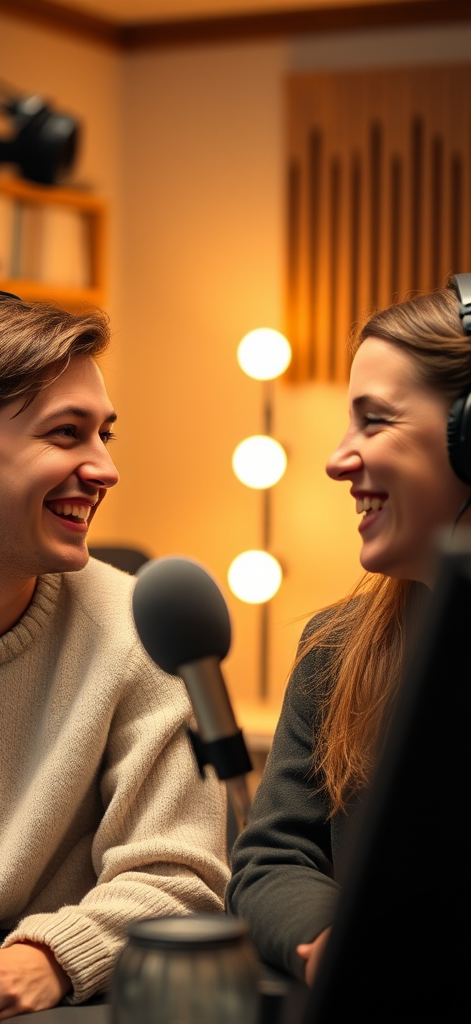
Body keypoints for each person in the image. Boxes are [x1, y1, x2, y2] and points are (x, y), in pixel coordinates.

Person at [0, 289, 229, 1021]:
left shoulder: (141, 629)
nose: (105, 468)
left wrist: (48, 958)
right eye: (66, 434)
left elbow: (180, 876)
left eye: (104, 434)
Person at [227, 276, 471, 985]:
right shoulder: (338, 649)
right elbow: (273, 859)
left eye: (375, 421)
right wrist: (336, 941)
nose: (338, 460)